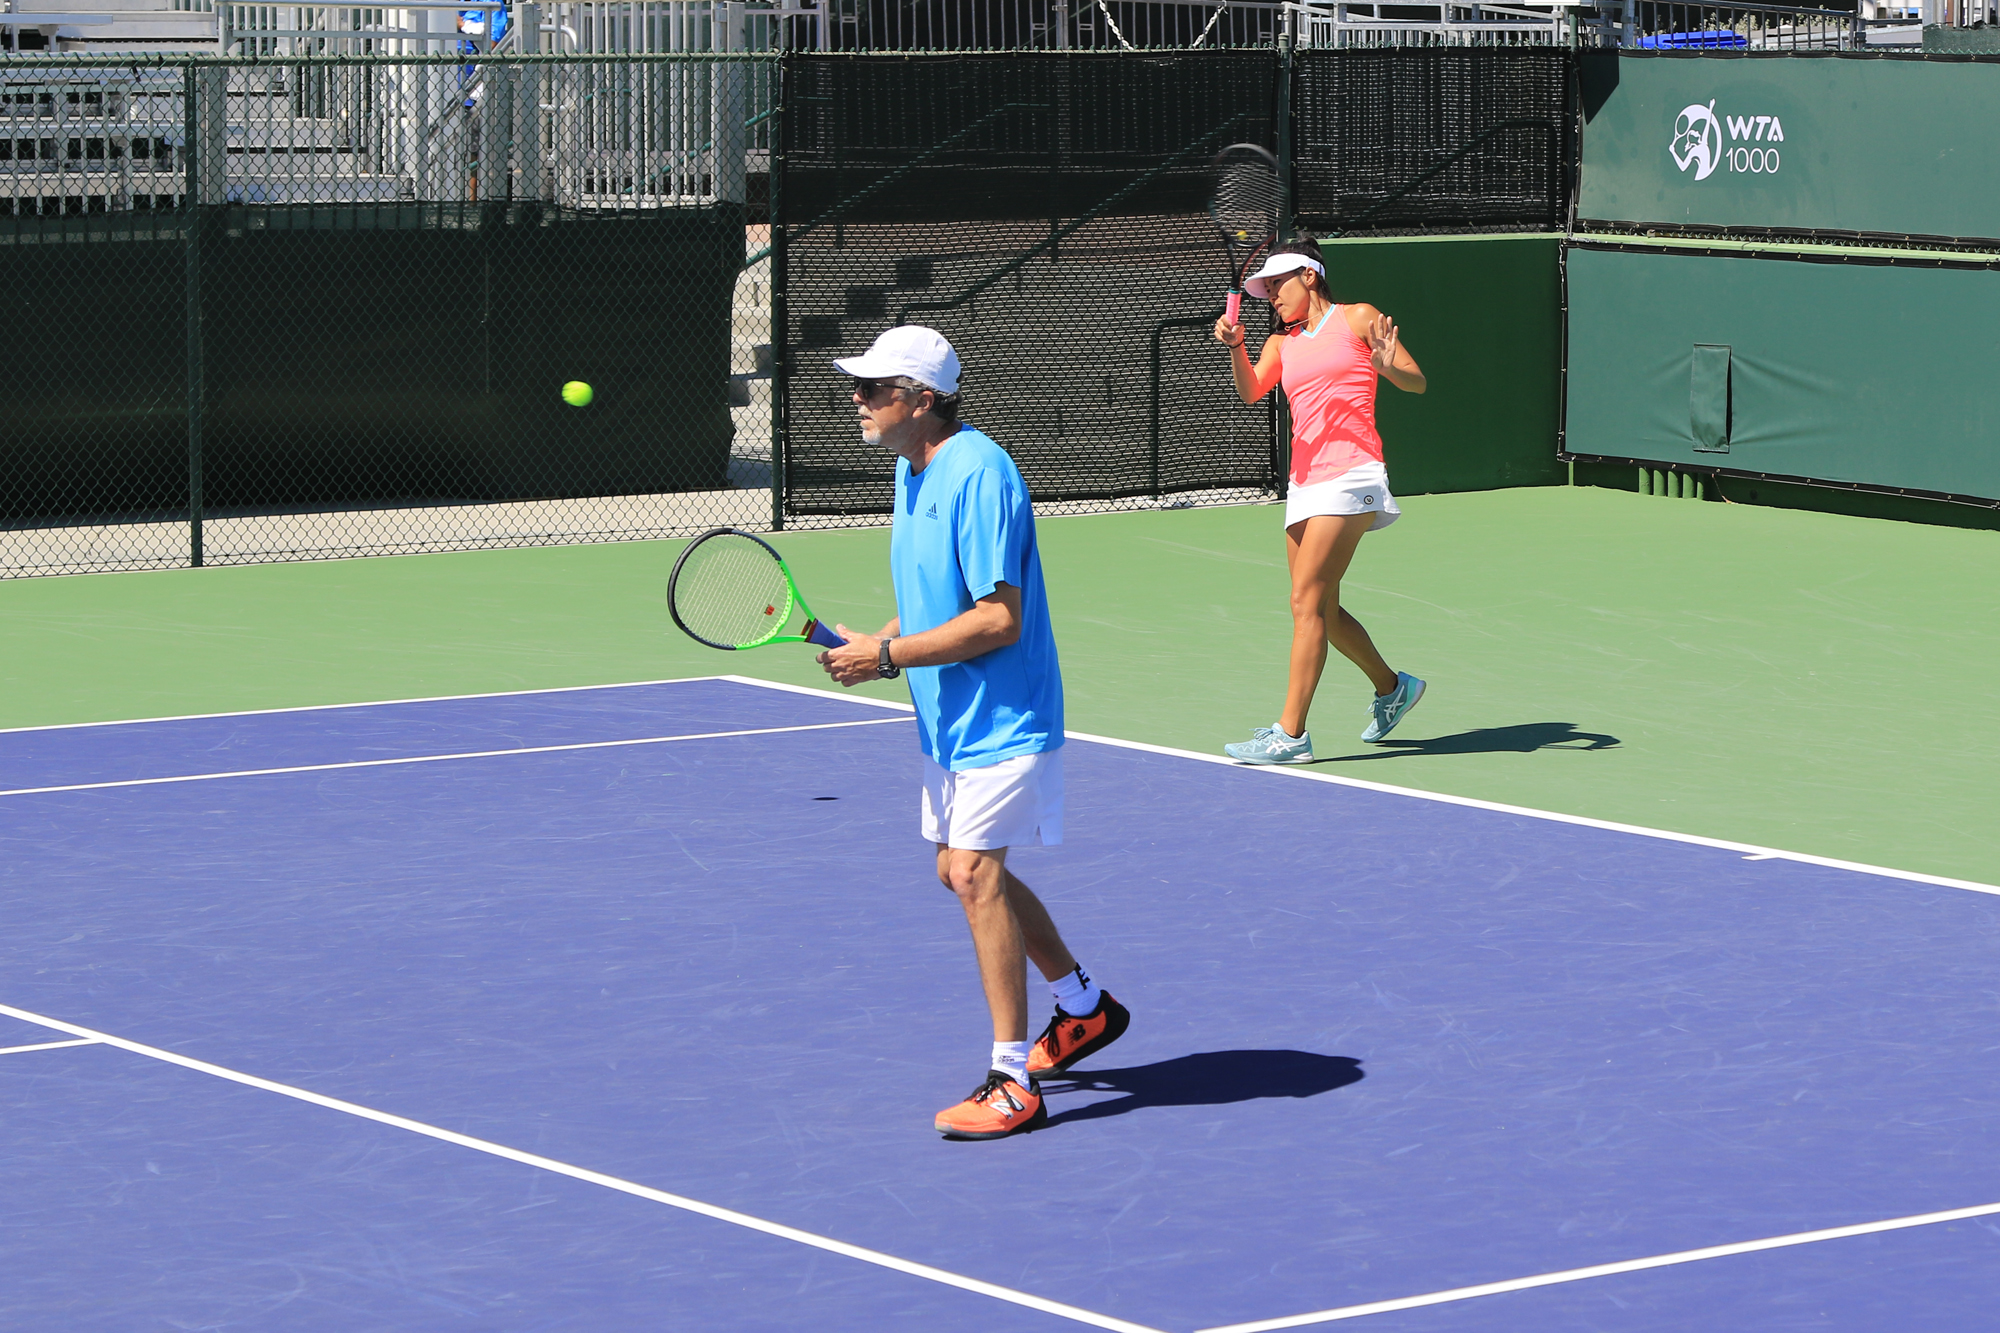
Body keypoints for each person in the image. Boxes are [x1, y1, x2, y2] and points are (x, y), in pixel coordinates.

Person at [816, 325, 1129, 1140]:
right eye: (858, 385)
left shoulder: (979, 472)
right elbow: (936, 604)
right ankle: (1083, 1006)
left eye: (874, 387)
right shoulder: (909, 470)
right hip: (947, 721)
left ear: (921, 400)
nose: (858, 398)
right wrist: (877, 641)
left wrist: (886, 656)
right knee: (956, 871)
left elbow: (997, 617)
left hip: (1006, 716)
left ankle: (1011, 1080)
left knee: (977, 877)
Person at [1212, 240, 1429, 763]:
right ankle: (1392, 687)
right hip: (1304, 485)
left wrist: (1385, 366)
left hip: (1353, 476)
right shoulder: (1280, 345)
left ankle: (1291, 734)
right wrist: (1237, 346)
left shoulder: (1358, 318)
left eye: (1277, 286)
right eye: (1264, 291)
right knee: (1323, 611)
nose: (1270, 298)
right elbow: (1250, 392)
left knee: (1304, 602)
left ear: (1309, 275)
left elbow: (1416, 382)